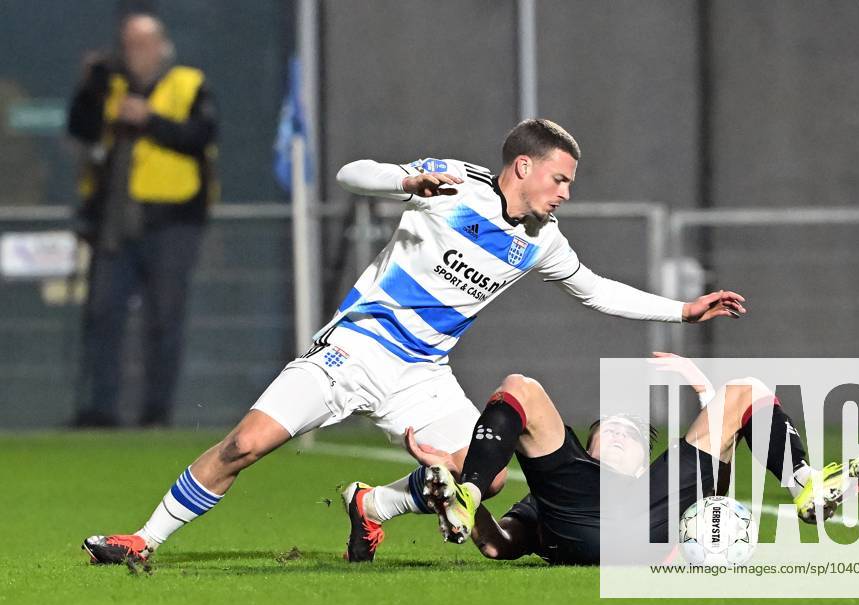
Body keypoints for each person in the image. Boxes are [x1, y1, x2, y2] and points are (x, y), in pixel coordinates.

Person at [83, 119, 744, 565]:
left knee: (481, 472)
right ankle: (143, 538)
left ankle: (372, 504)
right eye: (561, 178)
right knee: (243, 445)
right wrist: (404, 181)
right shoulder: (453, 183)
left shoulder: (542, 241)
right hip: (354, 350)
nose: (566, 192)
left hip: (422, 373)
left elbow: (596, 290)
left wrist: (684, 310)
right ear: (524, 166)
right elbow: (350, 173)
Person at [408, 354, 859, 565]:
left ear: (643, 458)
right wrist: (464, 502)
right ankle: (467, 491)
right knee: (519, 386)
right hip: (579, 514)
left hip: (651, 522)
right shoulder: (556, 488)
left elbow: (715, 484)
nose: (616, 430)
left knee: (746, 389)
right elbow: (500, 544)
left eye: (629, 431)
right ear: (585, 447)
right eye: (605, 429)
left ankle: (804, 481)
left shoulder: (664, 481)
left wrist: (703, 389)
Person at [68, 13, 218, 428]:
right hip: (115, 224)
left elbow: (201, 135)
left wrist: (148, 119)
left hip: (172, 222)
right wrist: (89, 86)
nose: (137, 53)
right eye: (130, 44)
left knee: (164, 319)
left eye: (144, 43)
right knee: (102, 315)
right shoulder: (109, 86)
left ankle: (157, 412)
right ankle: (101, 408)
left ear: (162, 45)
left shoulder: (187, 83)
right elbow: (79, 127)